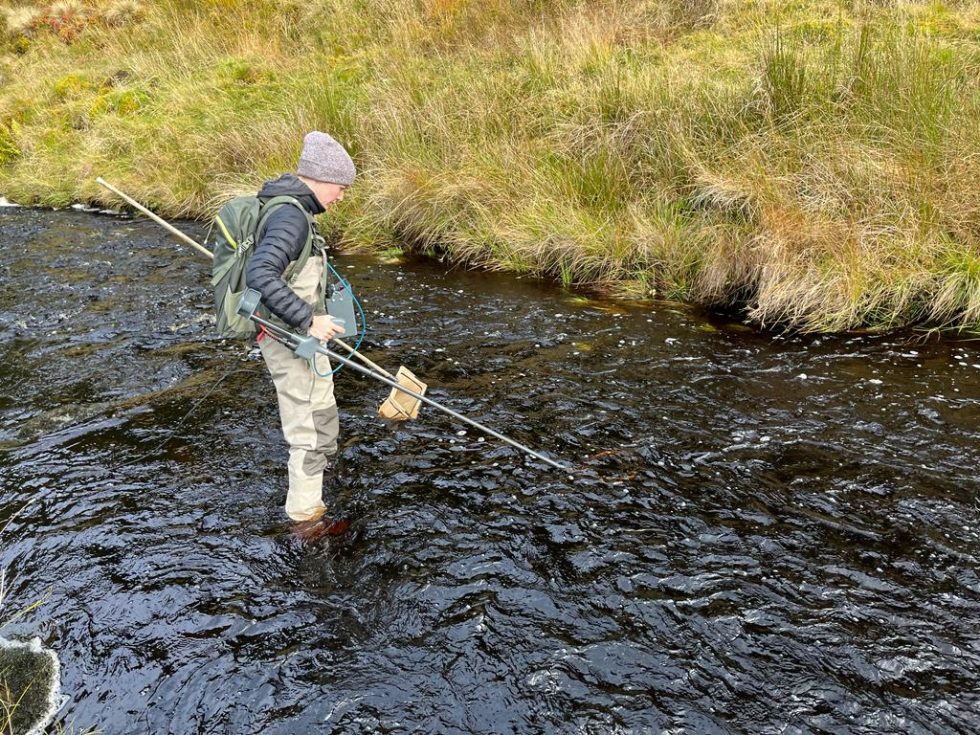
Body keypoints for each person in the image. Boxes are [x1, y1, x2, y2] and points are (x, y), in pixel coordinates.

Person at [246, 131, 355, 540]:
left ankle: (319, 483)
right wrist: (309, 320)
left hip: (305, 340)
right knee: (306, 431)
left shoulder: (294, 211)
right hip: (290, 340)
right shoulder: (290, 217)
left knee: (321, 412)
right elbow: (259, 275)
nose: (342, 197)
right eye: (341, 188)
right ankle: (306, 522)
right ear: (321, 179)